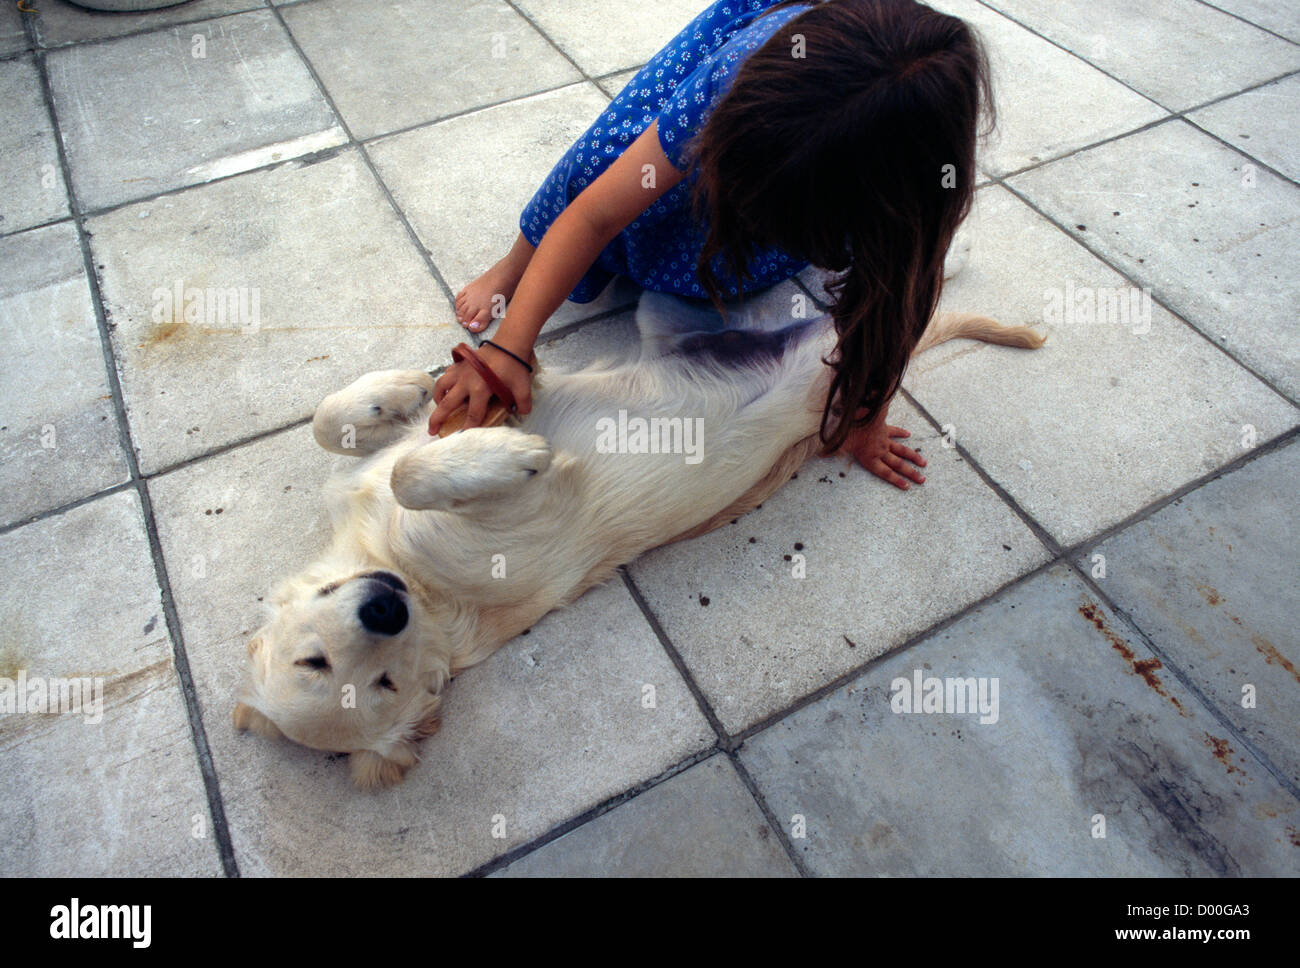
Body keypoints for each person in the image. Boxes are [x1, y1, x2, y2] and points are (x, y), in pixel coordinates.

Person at [427, 0, 992, 490]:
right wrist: (508, 349)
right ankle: (514, 261)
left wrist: (867, 417)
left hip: (811, 159)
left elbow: (900, 300)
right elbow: (595, 214)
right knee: (598, 171)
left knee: (716, 267)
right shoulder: (737, 78)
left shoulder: (909, 198)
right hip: (741, 90)